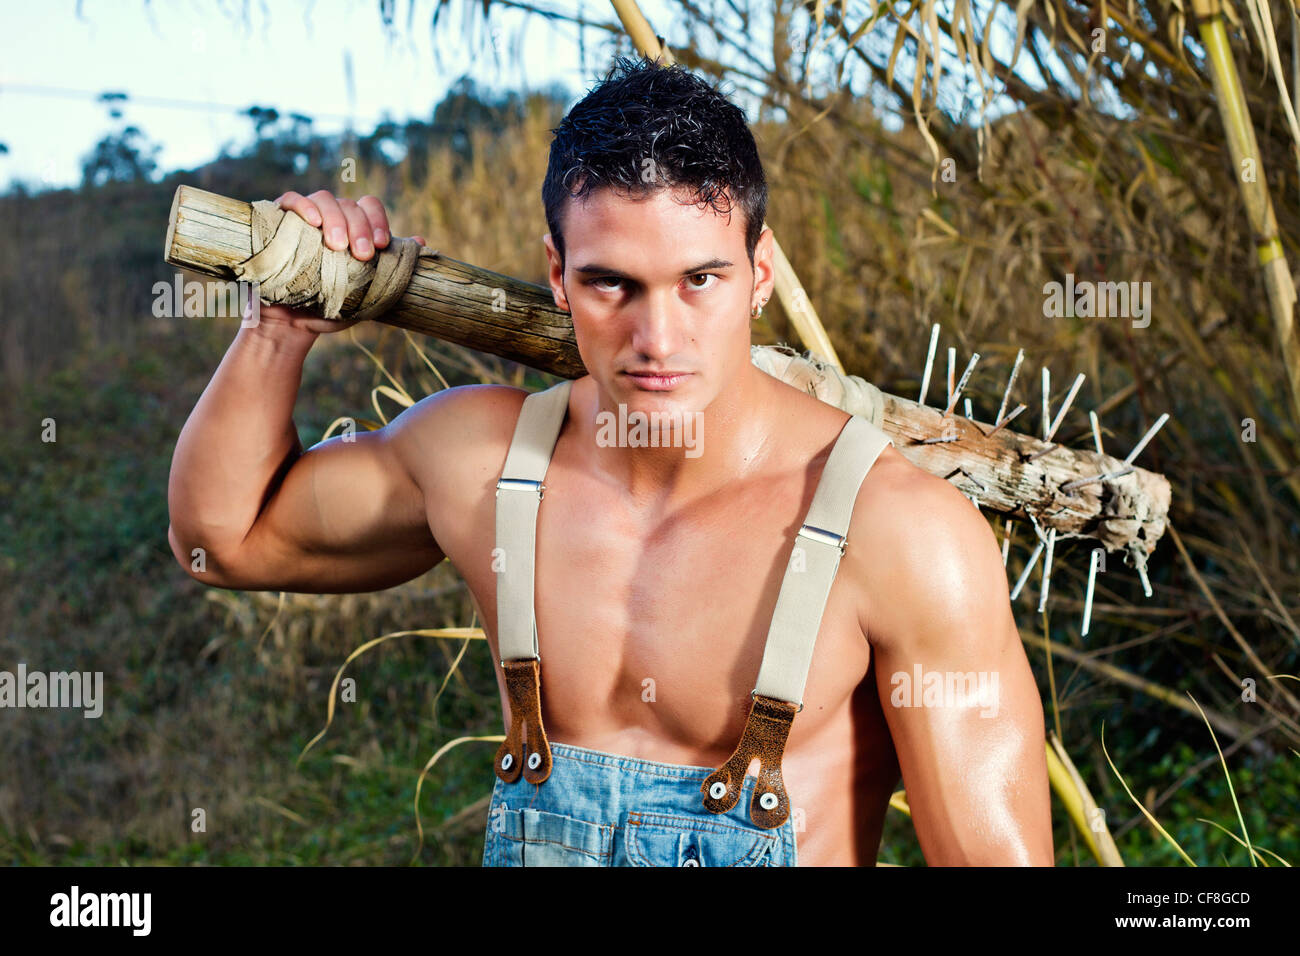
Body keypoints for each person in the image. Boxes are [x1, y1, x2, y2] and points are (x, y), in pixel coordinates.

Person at [167, 55, 1053, 866]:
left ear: (761, 271)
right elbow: (224, 539)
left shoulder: (899, 534)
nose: (657, 338)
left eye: (698, 280)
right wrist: (275, 329)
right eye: (611, 283)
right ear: (557, 273)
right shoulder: (484, 464)